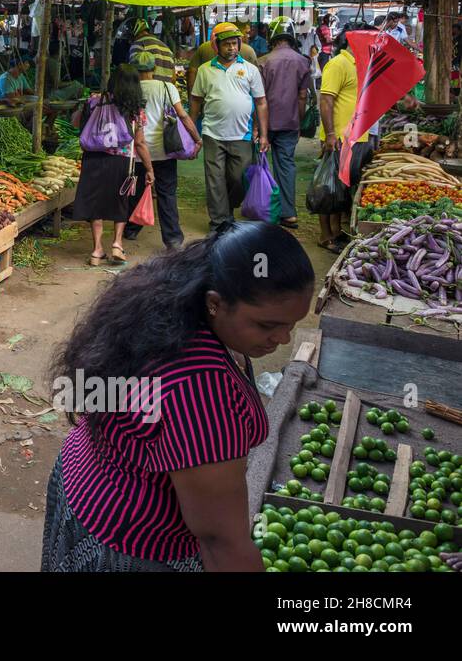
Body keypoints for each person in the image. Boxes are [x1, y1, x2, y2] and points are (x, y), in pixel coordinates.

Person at [42, 222, 314, 572]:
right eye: (267, 325)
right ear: (215, 303)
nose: (283, 339)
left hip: (85, 482)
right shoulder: (203, 391)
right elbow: (221, 542)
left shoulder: (171, 307)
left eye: (292, 324)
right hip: (128, 541)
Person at [73, 65, 155, 265]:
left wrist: (85, 106)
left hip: (94, 159)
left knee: (96, 204)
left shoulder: (95, 101)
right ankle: (117, 244)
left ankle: (97, 250)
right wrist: (150, 169)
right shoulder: (135, 109)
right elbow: (141, 143)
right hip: (122, 161)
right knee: (121, 201)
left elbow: (76, 124)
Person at [190, 23, 270, 229]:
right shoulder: (205, 70)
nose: (231, 48)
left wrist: (263, 135)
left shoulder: (249, 70)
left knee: (239, 178)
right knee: (214, 179)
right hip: (212, 133)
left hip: (242, 134)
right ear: (217, 46)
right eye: (227, 44)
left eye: (234, 44)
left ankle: (229, 206)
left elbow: (261, 102)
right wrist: (191, 131)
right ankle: (220, 222)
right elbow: (196, 101)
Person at [128, 52, 200, 249]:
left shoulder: (130, 89)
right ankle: (172, 239)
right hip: (164, 150)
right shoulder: (167, 87)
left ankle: (131, 229)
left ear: (135, 69)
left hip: (137, 151)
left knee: (136, 190)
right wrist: (196, 139)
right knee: (167, 193)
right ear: (154, 69)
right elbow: (183, 116)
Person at [317, 21, 375, 252]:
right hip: (339, 137)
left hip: (356, 137)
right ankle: (325, 235)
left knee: (342, 188)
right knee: (329, 188)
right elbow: (326, 100)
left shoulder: (361, 64)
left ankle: (336, 231)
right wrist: (330, 134)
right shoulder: (338, 64)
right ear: (353, 39)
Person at [258, 19, 310, 229]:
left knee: (260, 165)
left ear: (272, 37)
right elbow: (303, 96)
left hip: (264, 122)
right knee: (286, 166)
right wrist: (298, 121)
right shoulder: (303, 61)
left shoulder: (263, 61)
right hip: (290, 122)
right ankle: (288, 213)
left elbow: (258, 98)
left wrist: (257, 128)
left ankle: (263, 209)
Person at [185, 23, 259, 104]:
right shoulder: (249, 51)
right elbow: (256, 90)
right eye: (246, 33)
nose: (231, 48)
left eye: (234, 43)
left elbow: (191, 73)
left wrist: (192, 101)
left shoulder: (203, 48)